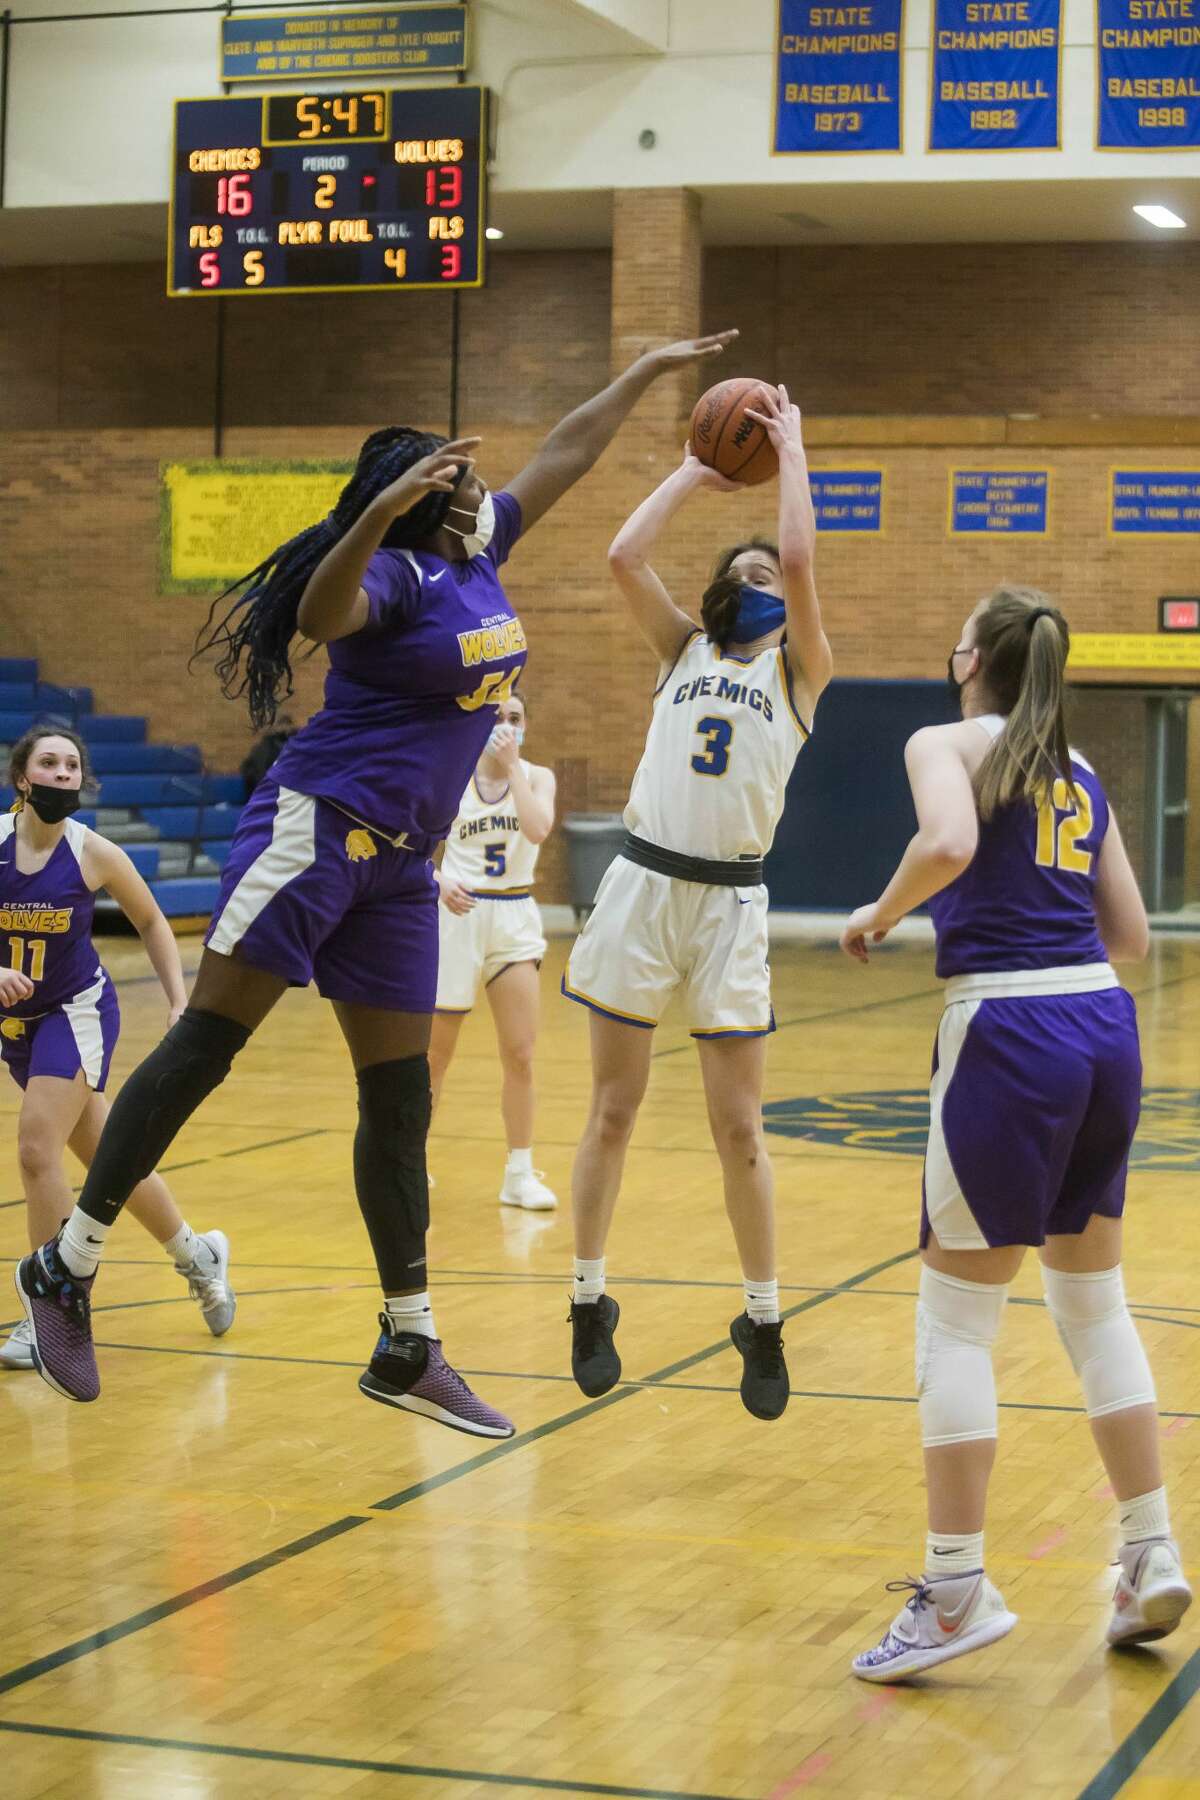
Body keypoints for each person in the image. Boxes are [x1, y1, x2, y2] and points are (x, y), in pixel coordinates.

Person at [17, 329, 737, 1438]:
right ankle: (68, 1269)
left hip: (403, 863)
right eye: (454, 484)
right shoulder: (392, 573)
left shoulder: (480, 548)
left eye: (471, 479)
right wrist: (373, 510)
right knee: (207, 1043)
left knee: (400, 1102)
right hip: (314, 832)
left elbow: (563, 452)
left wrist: (645, 377)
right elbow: (314, 614)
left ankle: (409, 1343)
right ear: (415, 502)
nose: (484, 490)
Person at [840, 585, 1191, 1682]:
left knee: (955, 1325)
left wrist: (878, 911)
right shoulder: (1082, 774)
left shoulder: (943, 739)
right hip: (1102, 1023)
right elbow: (1130, 937)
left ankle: (953, 1590)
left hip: (1009, 1029)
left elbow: (945, 840)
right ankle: (1150, 1550)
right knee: (1094, 1306)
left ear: (967, 662)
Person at [562, 385, 831, 1420]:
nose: (758, 580)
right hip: (642, 886)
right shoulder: (681, 649)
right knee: (614, 1111)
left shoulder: (802, 674)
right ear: (719, 596)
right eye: (742, 572)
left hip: (729, 908)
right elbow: (624, 557)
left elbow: (802, 563)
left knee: (740, 1130)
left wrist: (792, 450)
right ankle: (588, 1300)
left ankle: (762, 1318)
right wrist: (691, 471)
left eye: (766, 572)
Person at [1, 726, 233, 1379]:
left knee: (35, 1149)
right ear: (24, 777)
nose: (62, 772)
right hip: (16, 1024)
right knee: (111, 1158)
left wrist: (178, 999)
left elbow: (154, 922)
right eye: (49, 762)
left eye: (72, 764)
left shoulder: (93, 852)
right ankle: (197, 1255)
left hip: (75, 1013)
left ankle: (53, 1311)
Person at [429, 690, 558, 1211]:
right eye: (497, 717)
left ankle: (520, 1173)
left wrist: (514, 770)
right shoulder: (449, 776)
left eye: (515, 718)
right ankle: (412, 1160)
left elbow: (538, 827)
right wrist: (436, 881)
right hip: (457, 916)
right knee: (435, 1056)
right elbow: (409, 846)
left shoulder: (539, 777)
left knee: (521, 1053)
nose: (506, 725)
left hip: (514, 916)